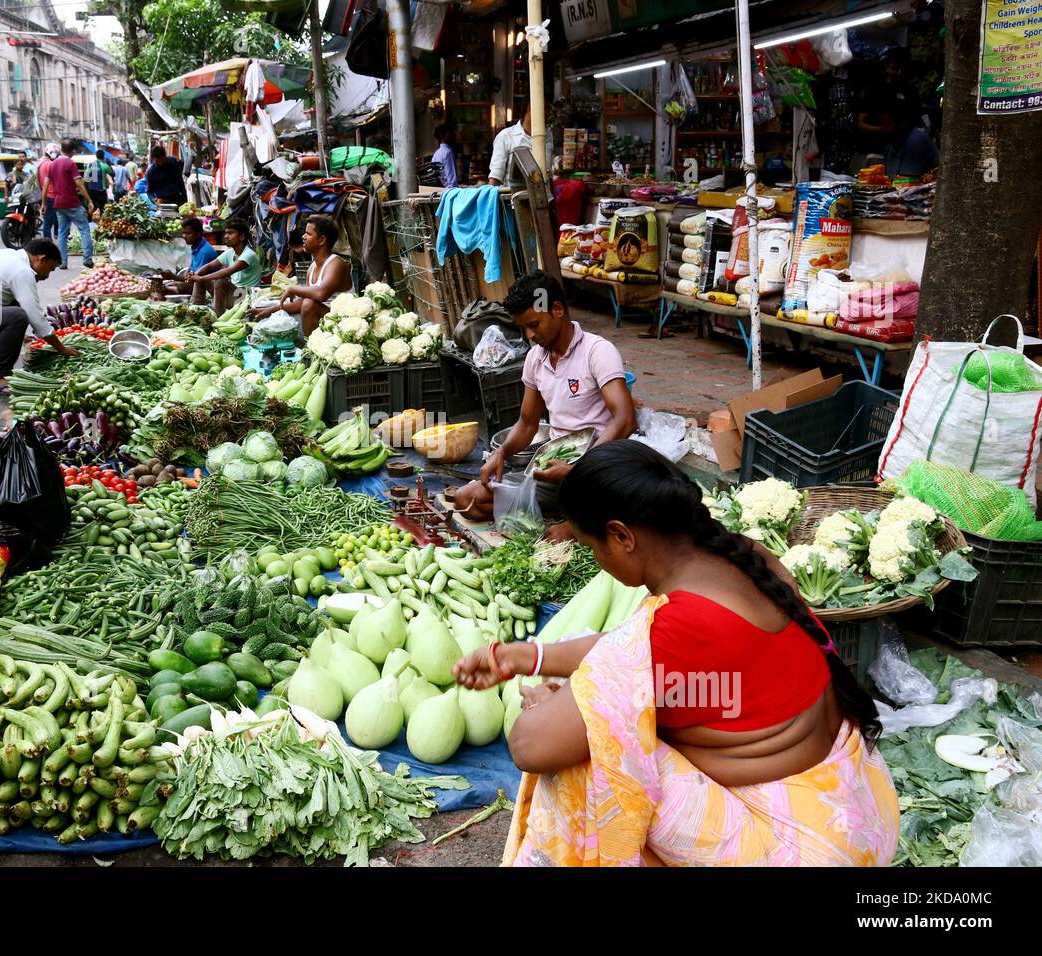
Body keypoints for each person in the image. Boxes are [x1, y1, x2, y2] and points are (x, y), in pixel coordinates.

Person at [454, 441, 899, 867]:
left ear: (621, 536)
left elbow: (531, 746)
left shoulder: (673, 628)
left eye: (592, 549)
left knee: (587, 755)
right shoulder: (742, 556)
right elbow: (628, 652)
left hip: (795, 845)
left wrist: (551, 704)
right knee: (605, 716)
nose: (597, 561)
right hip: (855, 810)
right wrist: (526, 657)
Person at [454, 271, 636, 542]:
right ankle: (570, 514)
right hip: (555, 472)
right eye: (524, 328)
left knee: (622, 507)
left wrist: (579, 469)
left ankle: (576, 522)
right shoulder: (535, 359)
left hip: (596, 473)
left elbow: (625, 419)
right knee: (467, 499)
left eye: (534, 324)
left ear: (558, 310)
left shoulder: (598, 351)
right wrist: (501, 454)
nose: (530, 335)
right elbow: (528, 424)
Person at [0, 238, 78, 395]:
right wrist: (61, 348)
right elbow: (34, 313)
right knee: (18, 315)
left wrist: (20, 335)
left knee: (11, 309)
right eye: (50, 269)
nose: (47, 276)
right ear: (41, 258)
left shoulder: (6, 255)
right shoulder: (22, 270)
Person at [253, 214, 352, 336]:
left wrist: (292, 288)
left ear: (322, 240)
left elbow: (320, 294)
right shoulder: (312, 267)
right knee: (306, 304)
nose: (303, 237)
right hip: (326, 321)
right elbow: (301, 303)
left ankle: (311, 349)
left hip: (344, 324)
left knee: (309, 304)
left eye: (309, 234)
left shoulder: (335, 264)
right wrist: (268, 311)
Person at [186, 217, 260, 316]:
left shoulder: (249, 255)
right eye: (226, 233)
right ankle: (194, 311)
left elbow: (228, 271)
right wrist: (195, 275)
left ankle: (217, 317)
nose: (226, 236)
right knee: (201, 277)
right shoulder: (230, 252)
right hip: (233, 294)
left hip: (244, 297)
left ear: (241, 237)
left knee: (220, 281)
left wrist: (201, 278)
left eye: (230, 233)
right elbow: (208, 266)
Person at [46, 138, 94, 269]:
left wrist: (43, 202)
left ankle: (62, 262)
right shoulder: (70, 164)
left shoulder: (53, 164)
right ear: (72, 151)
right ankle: (87, 259)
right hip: (72, 202)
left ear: (61, 149)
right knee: (84, 229)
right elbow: (79, 183)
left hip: (58, 203)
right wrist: (89, 200)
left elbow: (46, 184)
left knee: (62, 233)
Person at [166, 217, 219, 301]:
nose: (184, 236)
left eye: (187, 233)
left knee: (167, 289)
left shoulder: (204, 252)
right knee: (167, 285)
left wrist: (173, 276)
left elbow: (196, 279)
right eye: (183, 233)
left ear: (197, 234)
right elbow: (191, 269)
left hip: (204, 287)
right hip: (193, 280)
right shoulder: (197, 245)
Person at [882, 100, 939, 179]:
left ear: (902, 123)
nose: (882, 129)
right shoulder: (890, 146)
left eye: (887, 125)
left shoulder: (916, 140)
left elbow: (905, 180)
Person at [488, 103, 532, 187]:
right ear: (529, 108)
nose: (547, 112)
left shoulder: (548, 136)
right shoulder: (506, 136)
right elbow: (496, 176)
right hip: (514, 197)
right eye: (545, 108)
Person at [38, 142, 59, 241]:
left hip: (46, 195)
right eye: (55, 153)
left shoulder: (41, 163)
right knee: (48, 222)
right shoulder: (50, 164)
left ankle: (54, 236)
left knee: (50, 220)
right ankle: (47, 243)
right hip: (51, 196)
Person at [84, 147, 112, 214]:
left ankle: (90, 221)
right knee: (103, 208)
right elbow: (112, 173)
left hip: (92, 190)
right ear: (103, 156)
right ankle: (102, 222)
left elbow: (86, 178)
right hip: (101, 190)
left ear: (96, 156)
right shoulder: (104, 165)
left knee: (92, 206)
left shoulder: (91, 165)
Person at [432, 123, 458, 189]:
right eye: (450, 133)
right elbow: (451, 179)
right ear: (442, 136)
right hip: (449, 190)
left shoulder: (436, 153)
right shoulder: (448, 152)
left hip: (440, 189)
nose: (453, 135)